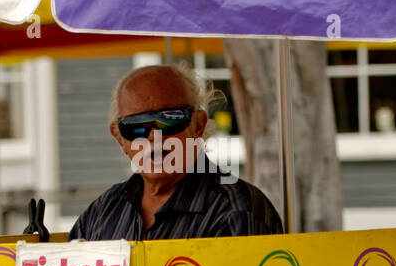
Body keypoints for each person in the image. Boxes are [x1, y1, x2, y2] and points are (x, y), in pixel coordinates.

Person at [68, 63, 283, 241]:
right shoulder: (102, 212)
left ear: (198, 125)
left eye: (169, 119)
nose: (154, 137)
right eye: (136, 126)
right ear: (120, 138)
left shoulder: (237, 210)